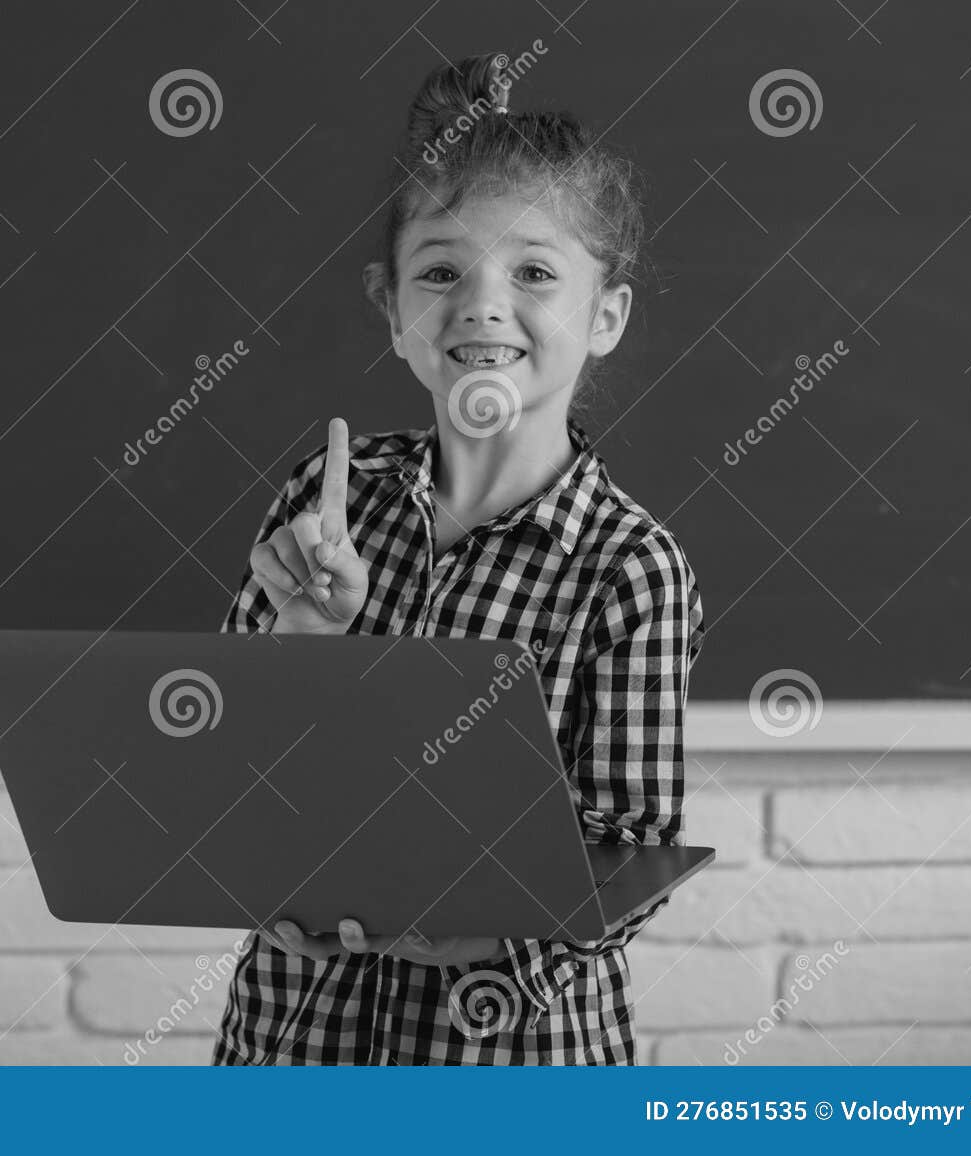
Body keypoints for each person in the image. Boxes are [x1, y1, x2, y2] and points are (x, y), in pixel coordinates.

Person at [211, 51, 705, 1065]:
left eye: (533, 272)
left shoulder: (632, 570)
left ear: (603, 314)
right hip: (294, 1042)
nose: (481, 305)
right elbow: (220, 769)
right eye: (440, 271)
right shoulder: (323, 504)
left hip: (505, 1060)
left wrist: (469, 932)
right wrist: (305, 639)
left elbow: (625, 850)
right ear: (393, 311)